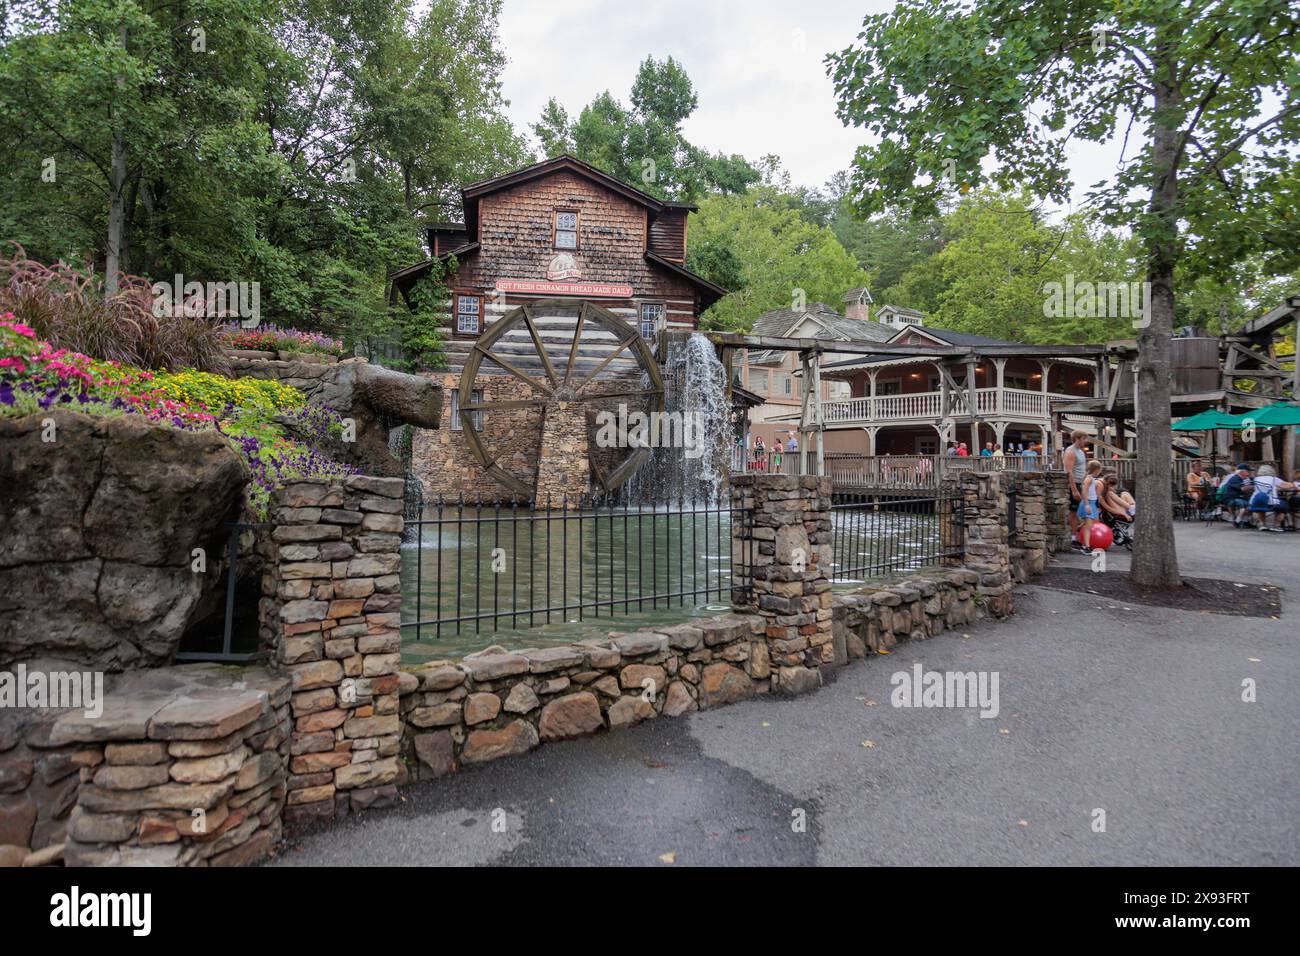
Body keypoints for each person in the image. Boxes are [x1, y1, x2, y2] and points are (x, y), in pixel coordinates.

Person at [1063, 430, 1091, 548]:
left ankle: (1078, 535)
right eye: (1084, 438)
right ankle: (1074, 538)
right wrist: (1074, 490)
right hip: (1074, 485)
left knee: (1084, 511)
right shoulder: (1070, 451)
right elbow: (1069, 471)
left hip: (1082, 483)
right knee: (1074, 512)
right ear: (1077, 439)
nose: (1086, 441)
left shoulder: (1081, 452)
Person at [1248, 465, 1294, 532]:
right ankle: (1276, 525)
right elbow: (1288, 485)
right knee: (1283, 507)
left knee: (1261, 507)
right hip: (1271, 502)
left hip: (1255, 502)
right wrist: (1278, 488)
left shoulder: (1255, 479)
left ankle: (1262, 525)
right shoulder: (1273, 479)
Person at [1077, 460, 1104, 550]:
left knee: (1090, 524)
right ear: (1096, 470)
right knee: (1088, 526)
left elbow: (1093, 492)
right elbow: (1084, 492)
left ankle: (1084, 542)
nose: (1100, 472)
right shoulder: (1088, 479)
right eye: (1099, 470)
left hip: (1092, 503)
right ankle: (1086, 546)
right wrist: (1087, 505)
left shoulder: (1092, 479)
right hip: (1088, 503)